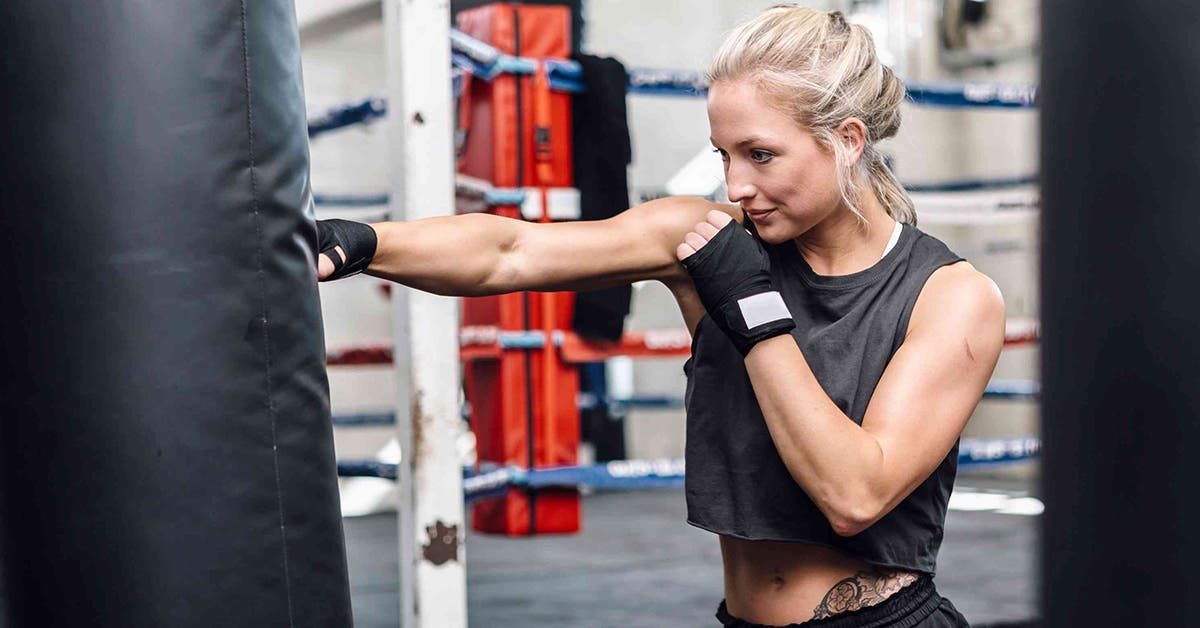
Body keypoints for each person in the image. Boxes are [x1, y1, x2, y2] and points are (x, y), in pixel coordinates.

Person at [318, 5, 1003, 626]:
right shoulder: (709, 239)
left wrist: (753, 311)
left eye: (762, 155)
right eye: (725, 156)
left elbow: (855, 492)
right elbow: (512, 252)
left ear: (849, 140)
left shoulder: (951, 297)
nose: (737, 186)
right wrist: (367, 243)